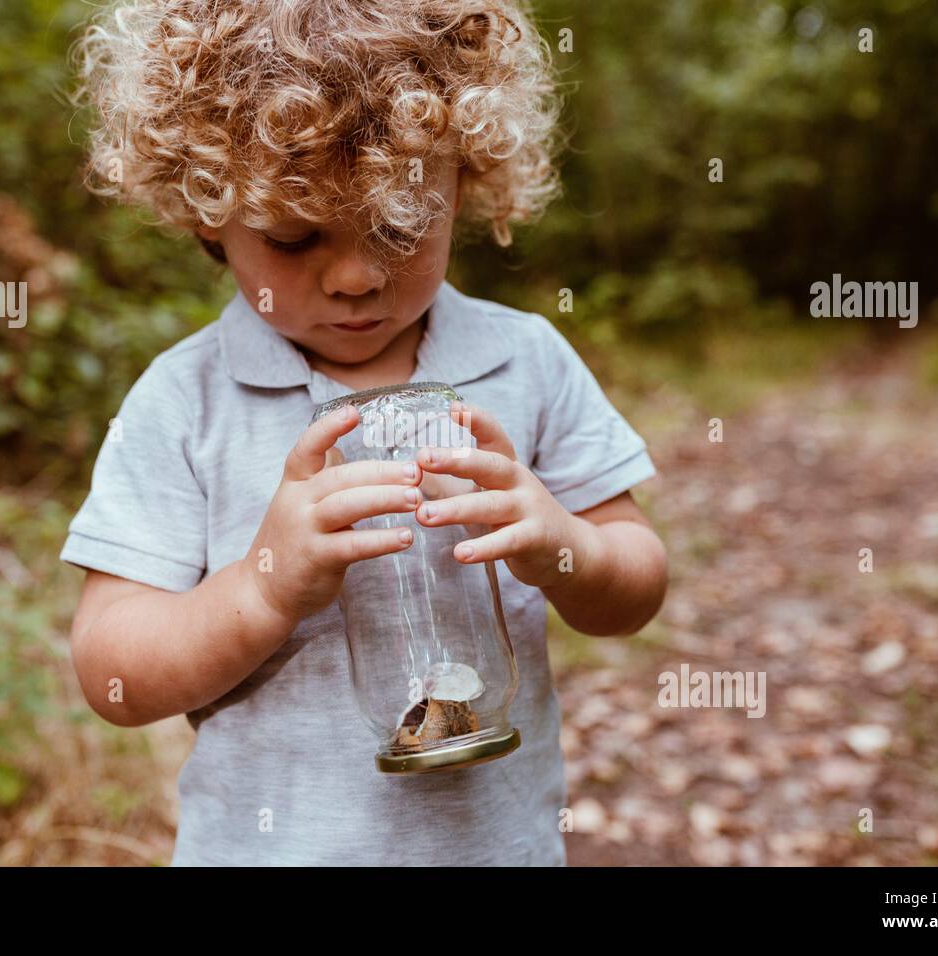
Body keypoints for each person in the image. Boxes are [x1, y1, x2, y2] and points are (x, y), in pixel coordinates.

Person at [61, 0, 668, 865]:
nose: (354, 276)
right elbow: (111, 672)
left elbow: (637, 581)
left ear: (465, 181)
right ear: (206, 209)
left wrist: (563, 544)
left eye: (401, 224)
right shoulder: (184, 403)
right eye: (294, 235)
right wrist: (265, 590)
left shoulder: (524, 361)